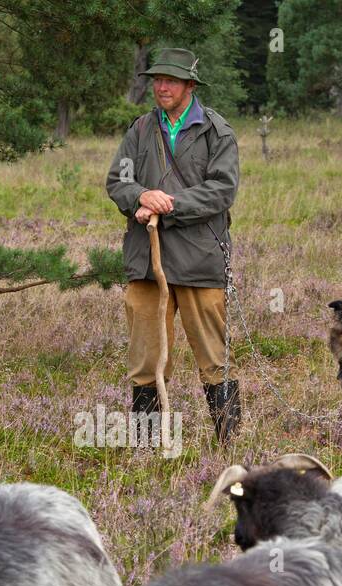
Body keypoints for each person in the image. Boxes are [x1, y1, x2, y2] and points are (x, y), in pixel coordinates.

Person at [106, 47, 241, 444]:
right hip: (146, 261)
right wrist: (141, 196)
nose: (161, 87)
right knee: (145, 361)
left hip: (201, 259)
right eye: (157, 80)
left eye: (171, 80)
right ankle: (147, 449)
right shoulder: (140, 130)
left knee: (216, 358)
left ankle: (227, 445)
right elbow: (118, 181)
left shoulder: (218, 131)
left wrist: (171, 204)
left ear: (190, 85)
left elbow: (222, 190)